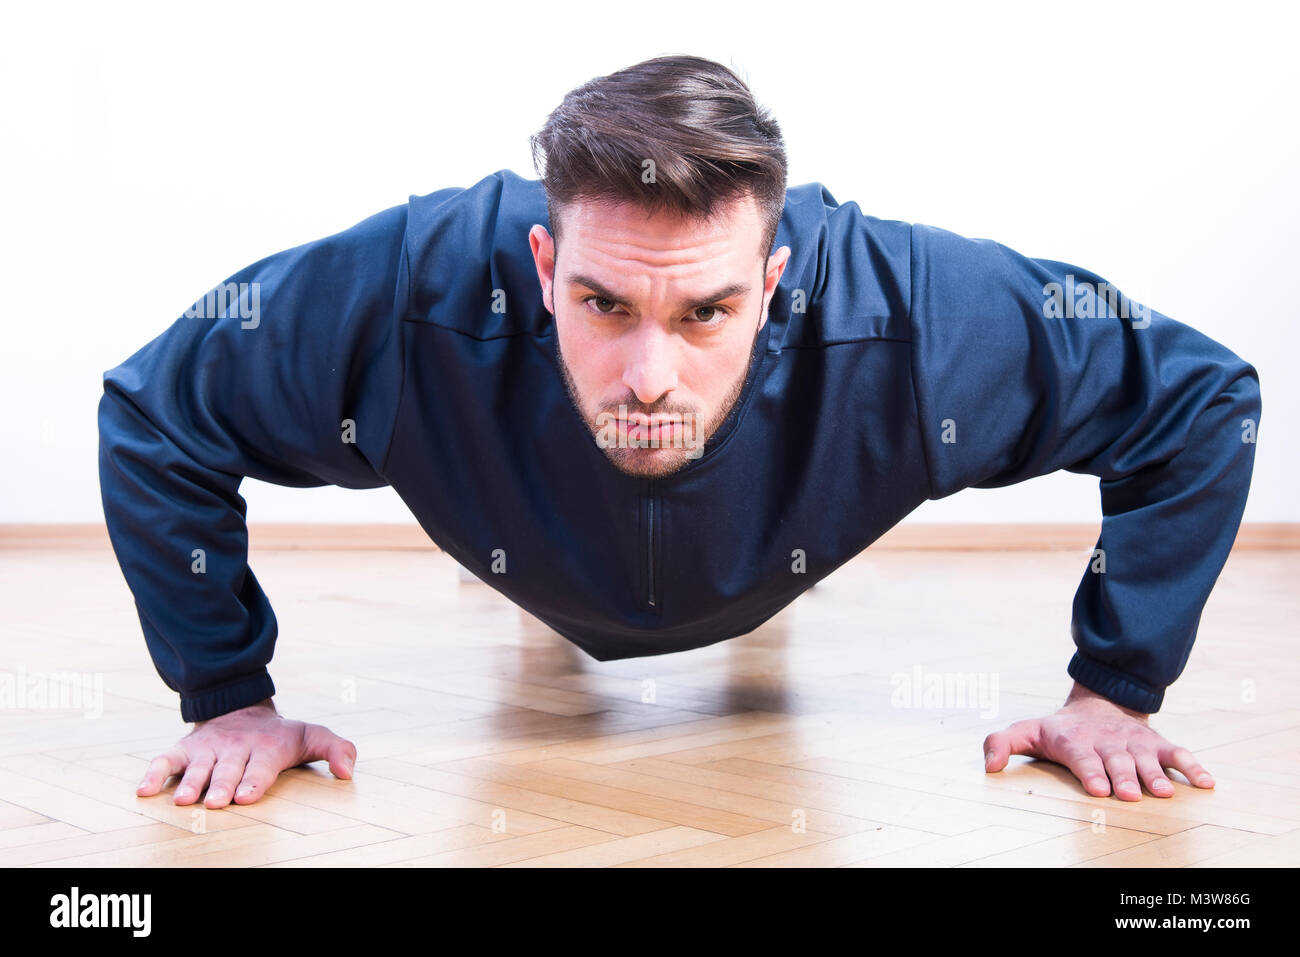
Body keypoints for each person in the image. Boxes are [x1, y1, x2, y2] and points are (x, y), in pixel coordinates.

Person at [99, 54, 1260, 811]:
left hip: (770, 521)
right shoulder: (408, 292)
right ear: (543, 265)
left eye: (705, 310)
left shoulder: (911, 321)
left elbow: (1198, 400)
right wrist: (227, 693)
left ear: (774, 278)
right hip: (530, 514)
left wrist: (1116, 683)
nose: (649, 375)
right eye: (604, 303)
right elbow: (157, 414)